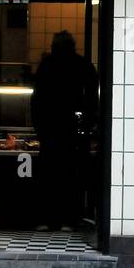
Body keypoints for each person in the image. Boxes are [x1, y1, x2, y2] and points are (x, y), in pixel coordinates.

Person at [31, 30, 99, 231]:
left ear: (54, 46)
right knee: (73, 176)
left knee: (49, 177)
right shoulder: (83, 65)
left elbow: (36, 99)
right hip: (73, 131)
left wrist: (38, 127)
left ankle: (47, 219)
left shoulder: (47, 65)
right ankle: (71, 219)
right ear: (73, 45)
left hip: (50, 129)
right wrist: (87, 124)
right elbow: (93, 98)